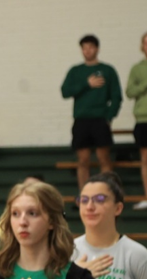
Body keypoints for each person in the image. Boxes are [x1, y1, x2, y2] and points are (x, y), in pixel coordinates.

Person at [61, 34, 122, 192]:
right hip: (81, 120)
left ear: (97, 49)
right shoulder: (76, 71)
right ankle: (85, 195)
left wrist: (109, 116)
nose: (87, 51)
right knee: (83, 161)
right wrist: (86, 84)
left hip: (100, 120)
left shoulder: (107, 70)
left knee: (104, 159)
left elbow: (116, 97)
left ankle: (108, 194)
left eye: (91, 47)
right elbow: (65, 91)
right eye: (84, 48)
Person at [127, 32, 147, 203]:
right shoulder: (137, 68)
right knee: (145, 159)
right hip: (143, 119)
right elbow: (130, 92)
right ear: (142, 47)